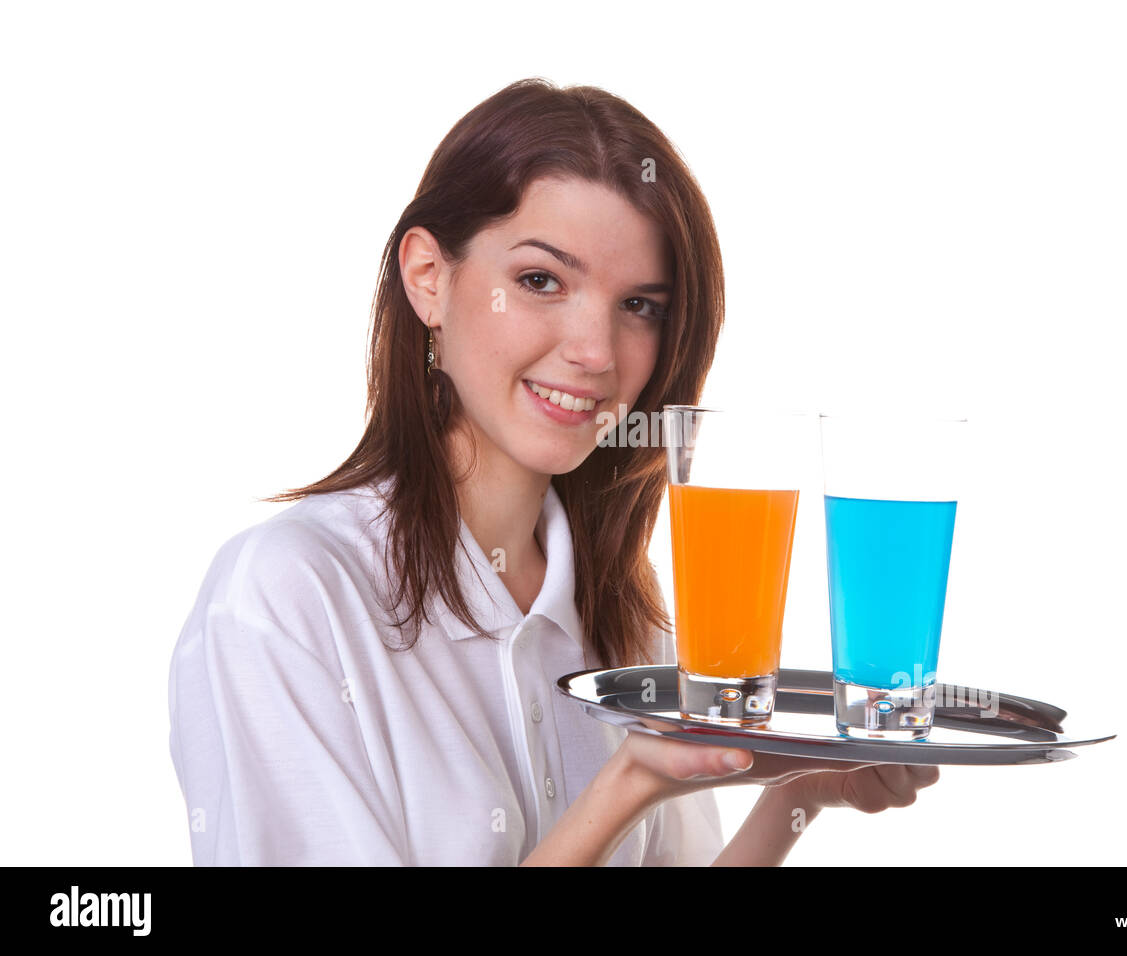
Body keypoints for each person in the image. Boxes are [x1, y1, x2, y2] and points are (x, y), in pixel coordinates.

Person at [167, 77, 938, 867]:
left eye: (640, 305)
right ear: (429, 277)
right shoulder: (287, 597)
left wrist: (801, 795)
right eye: (542, 282)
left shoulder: (628, 617)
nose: (597, 352)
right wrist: (626, 787)